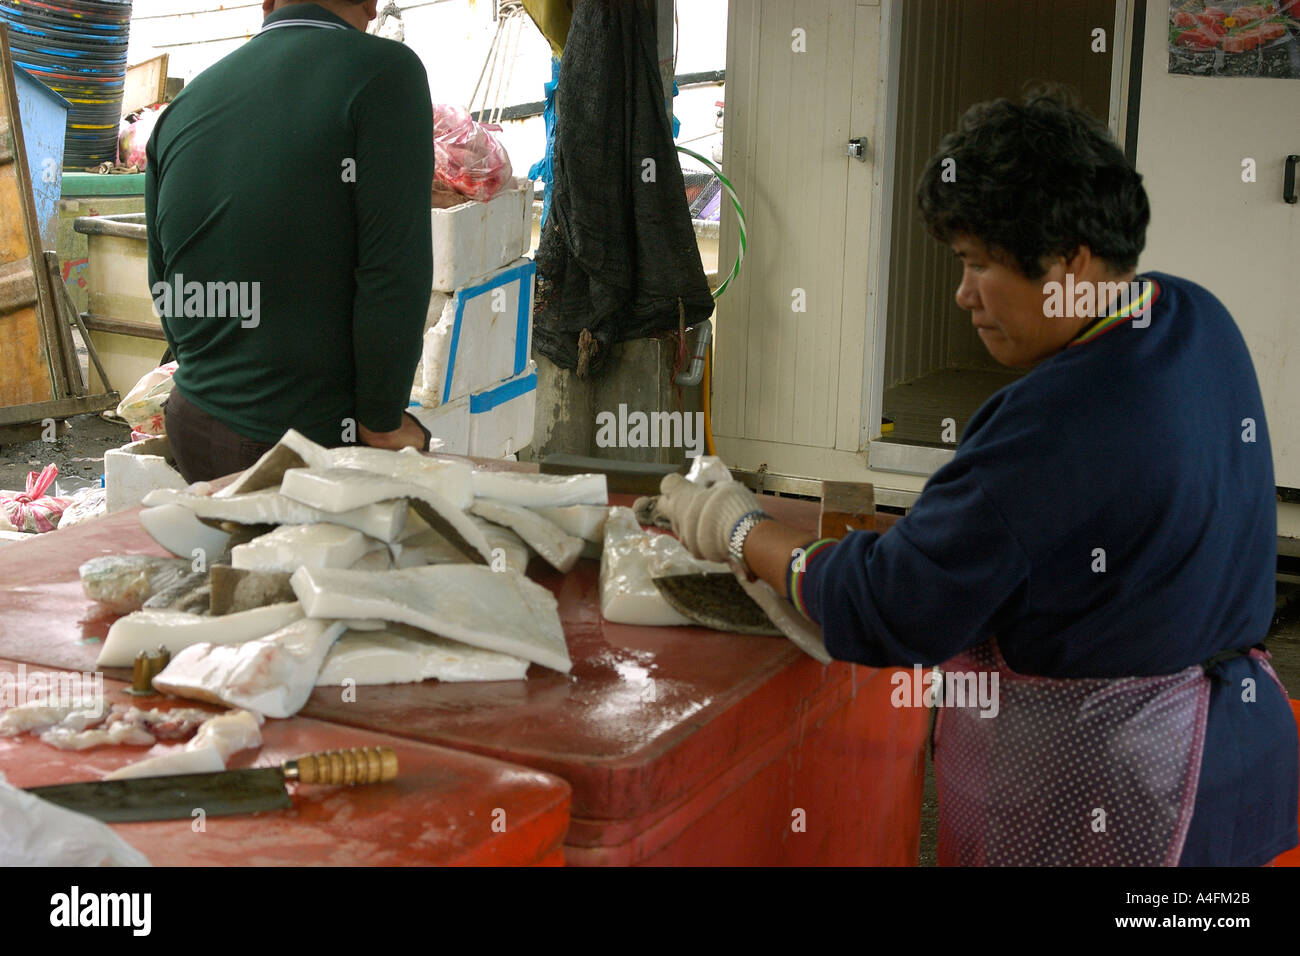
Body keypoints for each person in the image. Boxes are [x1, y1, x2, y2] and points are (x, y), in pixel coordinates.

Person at [657, 91, 1298, 866]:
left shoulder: (1055, 423)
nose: (963, 295)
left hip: (1131, 806)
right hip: (1247, 771)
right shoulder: (1191, 317)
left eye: (978, 264)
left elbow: (890, 606)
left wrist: (733, 524)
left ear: (1068, 260)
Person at [145, 0, 433, 483]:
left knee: (227, 560)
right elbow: (394, 267)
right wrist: (381, 422)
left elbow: (163, 278)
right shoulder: (386, 72)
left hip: (192, 417)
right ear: (371, 3)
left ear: (267, 3)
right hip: (305, 446)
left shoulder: (188, 100)